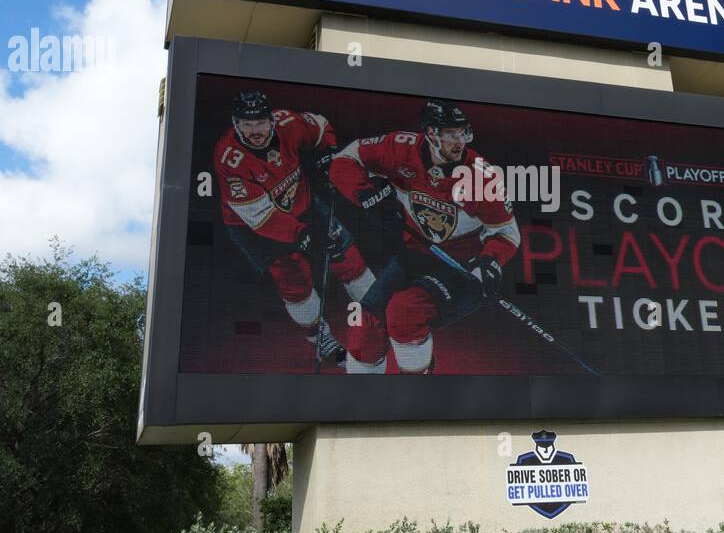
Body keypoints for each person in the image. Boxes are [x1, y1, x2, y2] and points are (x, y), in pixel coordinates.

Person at [328, 99, 519, 373]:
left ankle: (417, 391)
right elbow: (346, 159)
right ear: (431, 133)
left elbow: (506, 232)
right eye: (451, 134)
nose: (459, 141)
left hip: (462, 270)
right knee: (365, 327)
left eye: (462, 133)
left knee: (405, 312)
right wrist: (365, 193)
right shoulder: (400, 149)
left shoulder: (482, 176)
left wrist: (489, 263)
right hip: (414, 255)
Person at [214, 90, 374, 365]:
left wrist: (328, 153)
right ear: (236, 124)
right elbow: (261, 216)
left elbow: (320, 126)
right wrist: (303, 236)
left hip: (301, 202)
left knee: (347, 256)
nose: (255, 131)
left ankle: (377, 318)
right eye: (247, 124)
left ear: (272, 120)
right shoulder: (229, 158)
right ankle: (321, 338)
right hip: (253, 225)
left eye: (260, 123)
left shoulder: (289, 123)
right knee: (294, 278)